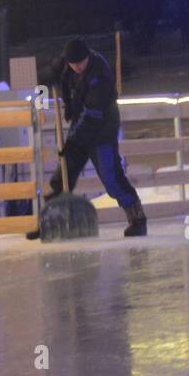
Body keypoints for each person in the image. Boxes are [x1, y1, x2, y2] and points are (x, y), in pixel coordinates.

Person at [46, 37, 147, 237]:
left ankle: (137, 218)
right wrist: (65, 100)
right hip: (82, 122)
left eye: (80, 63)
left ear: (88, 58)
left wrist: (73, 141)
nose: (77, 67)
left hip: (102, 130)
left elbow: (93, 116)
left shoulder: (100, 74)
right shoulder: (70, 65)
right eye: (72, 64)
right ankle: (51, 212)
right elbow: (65, 80)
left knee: (111, 177)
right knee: (66, 167)